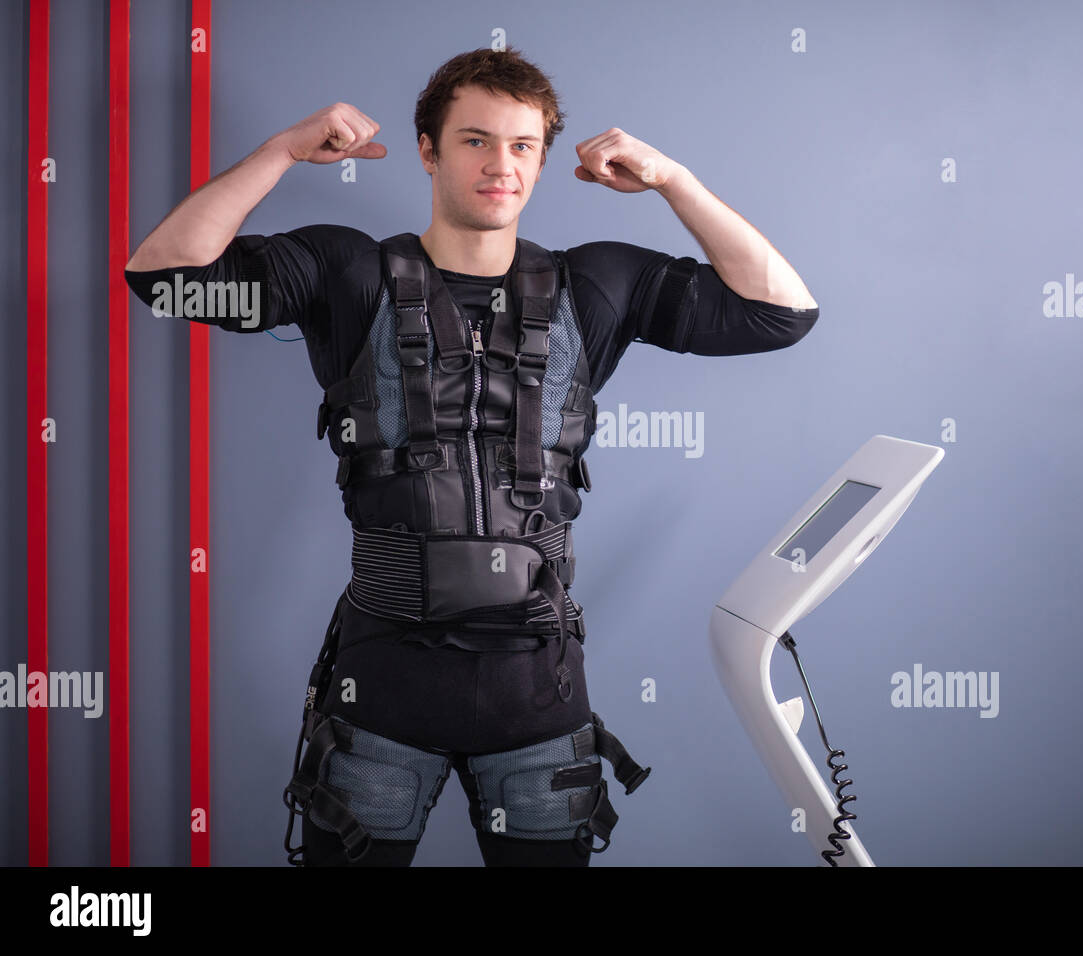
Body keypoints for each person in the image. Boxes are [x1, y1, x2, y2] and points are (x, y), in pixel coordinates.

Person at [123, 46, 820, 867]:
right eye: (475, 141)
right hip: (382, 689)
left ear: (543, 159)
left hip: (539, 695)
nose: (501, 165)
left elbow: (782, 313)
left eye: (523, 146)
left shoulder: (596, 285)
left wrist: (672, 179)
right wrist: (280, 150)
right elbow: (166, 277)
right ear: (428, 149)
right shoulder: (346, 271)